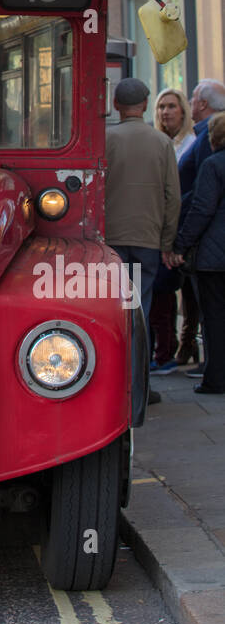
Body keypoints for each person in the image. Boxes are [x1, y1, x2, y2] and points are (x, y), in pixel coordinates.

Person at [104, 78, 180, 414]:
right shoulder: (161, 142)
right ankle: (139, 389)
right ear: (146, 104)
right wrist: (166, 242)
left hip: (111, 240)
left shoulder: (104, 139)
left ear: (116, 104)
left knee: (110, 312)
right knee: (141, 313)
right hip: (148, 239)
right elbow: (172, 197)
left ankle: (110, 384)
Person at [169, 112, 225, 394]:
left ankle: (216, 378)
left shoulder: (213, 165)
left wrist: (180, 244)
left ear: (214, 138)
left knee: (214, 317)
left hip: (215, 258)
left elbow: (201, 209)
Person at [149, 89, 195, 371]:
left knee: (180, 295)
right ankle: (167, 350)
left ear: (183, 110)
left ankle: (177, 348)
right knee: (161, 297)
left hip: (182, 227)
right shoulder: (157, 141)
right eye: (161, 107)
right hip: (158, 225)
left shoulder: (190, 143)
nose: (166, 112)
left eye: (171, 106)